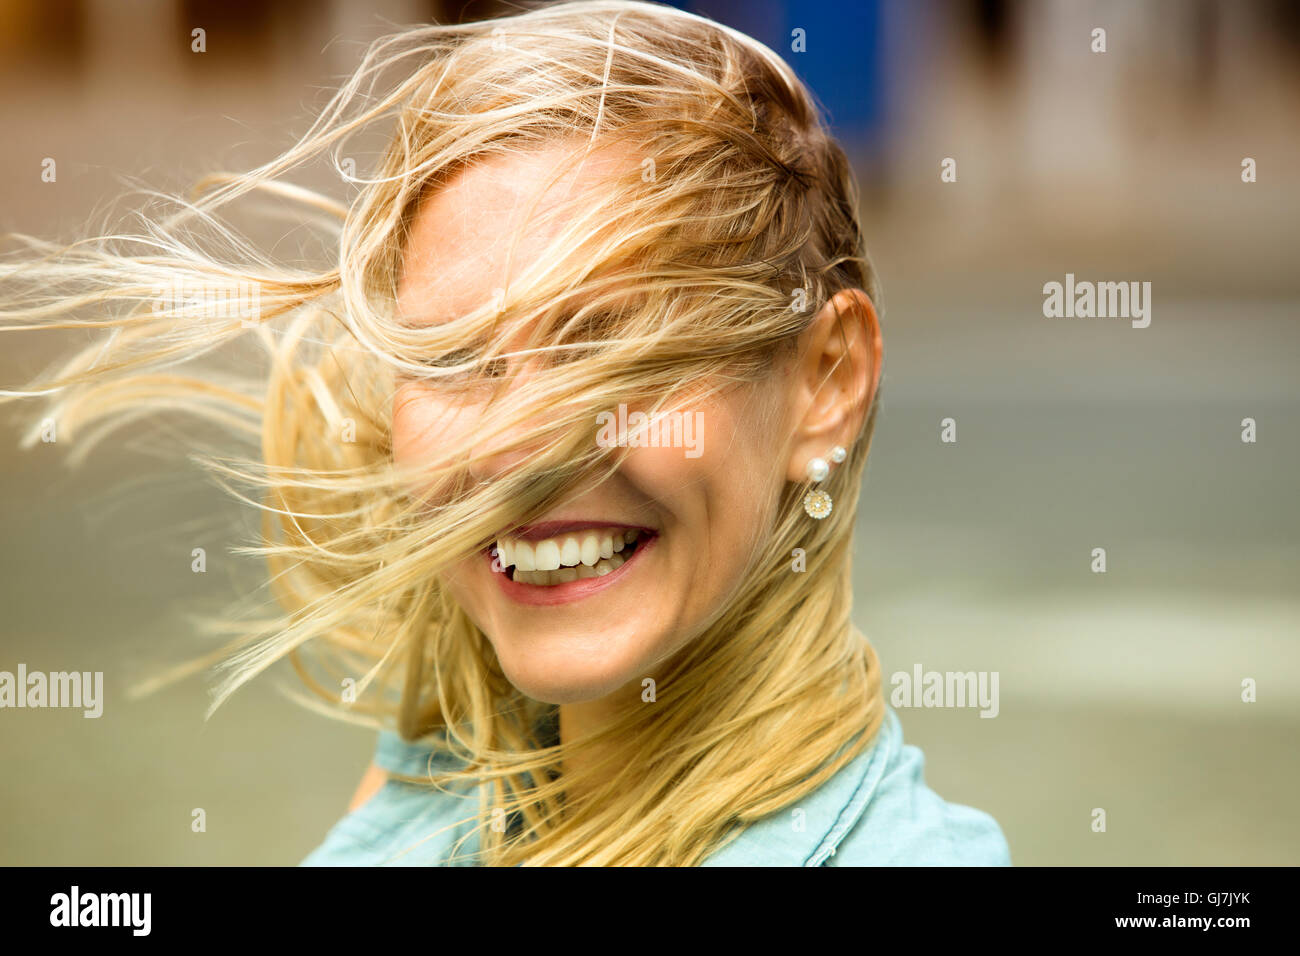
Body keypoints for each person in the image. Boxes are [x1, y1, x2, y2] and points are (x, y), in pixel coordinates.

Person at [1, 0, 1010, 867]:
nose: (515, 451)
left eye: (613, 345)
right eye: (453, 356)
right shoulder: (450, 774)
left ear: (826, 381)